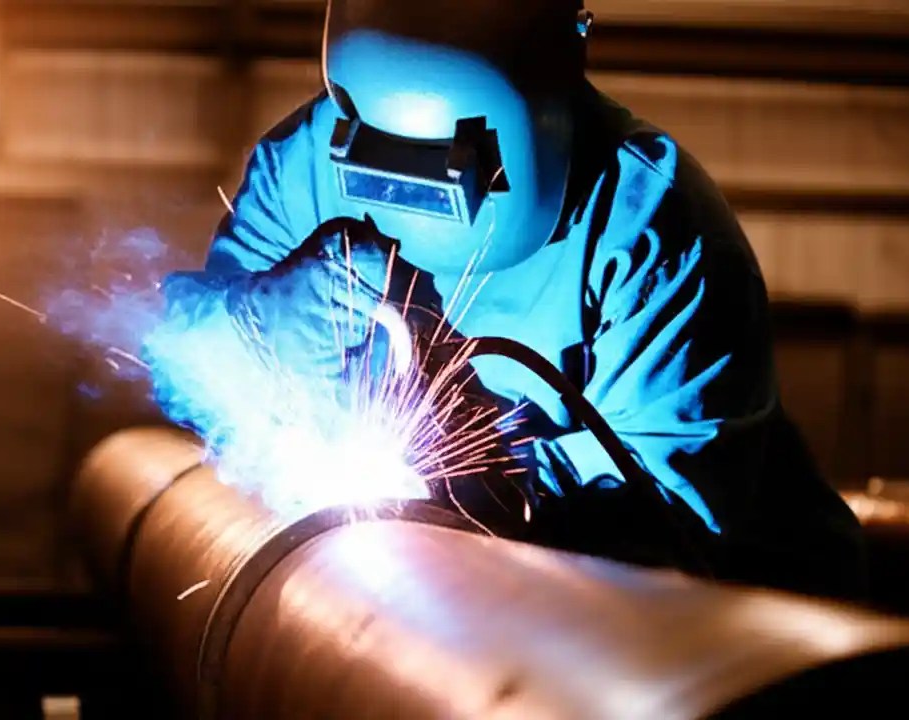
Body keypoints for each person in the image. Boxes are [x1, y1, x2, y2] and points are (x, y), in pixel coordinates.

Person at [162, 0, 865, 597]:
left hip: (745, 625)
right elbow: (170, 364)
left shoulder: (653, 227)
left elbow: (674, 531)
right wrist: (251, 322)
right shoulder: (301, 172)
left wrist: (484, 485)